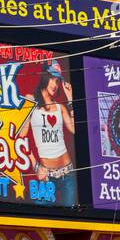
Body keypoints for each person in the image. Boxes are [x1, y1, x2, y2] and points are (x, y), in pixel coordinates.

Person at [28, 61, 77, 206]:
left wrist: (70, 100)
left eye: (58, 80)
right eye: (52, 78)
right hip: (47, 177)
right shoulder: (31, 103)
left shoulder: (60, 107)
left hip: (68, 174)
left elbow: (74, 129)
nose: (55, 84)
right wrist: (36, 166)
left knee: (71, 222)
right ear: (44, 77)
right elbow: (19, 138)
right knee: (40, 218)